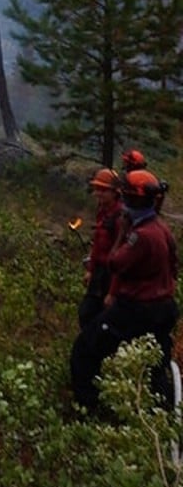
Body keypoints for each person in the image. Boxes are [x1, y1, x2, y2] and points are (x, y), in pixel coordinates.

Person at [69, 169, 179, 412]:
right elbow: (174, 268)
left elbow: (115, 262)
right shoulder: (161, 229)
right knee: (154, 366)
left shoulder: (140, 236)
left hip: (136, 309)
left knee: (84, 350)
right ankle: (165, 415)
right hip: (164, 308)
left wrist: (122, 233)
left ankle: (90, 411)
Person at [77, 168, 123, 329]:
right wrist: (91, 269)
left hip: (111, 275)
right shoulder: (103, 211)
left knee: (103, 318)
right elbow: (97, 244)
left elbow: (121, 257)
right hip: (99, 273)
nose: (98, 193)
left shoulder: (120, 218)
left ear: (114, 192)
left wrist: (112, 292)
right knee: (86, 313)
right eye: (97, 189)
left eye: (103, 190)